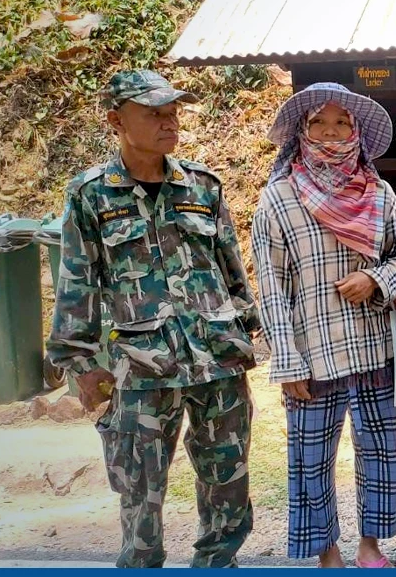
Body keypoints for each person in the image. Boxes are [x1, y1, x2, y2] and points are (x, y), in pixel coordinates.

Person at [47, 70, 258, 568]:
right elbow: (77, 283)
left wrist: (247, 333)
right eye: (155, 114)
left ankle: (217, 565)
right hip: (141, 370)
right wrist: (81, 365)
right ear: (117, 120)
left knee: (228, 486)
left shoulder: (202, 186)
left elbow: (231, 270)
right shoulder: (91, 194)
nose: (169, 122)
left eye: (172, 113)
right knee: (141, 495)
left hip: (217, 362)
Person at [252, 82, 396, 568]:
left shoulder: (381, 195)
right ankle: (326, 550)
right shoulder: (279, 198)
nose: (330, 132)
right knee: (311, 458)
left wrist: (375, 277)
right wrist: (286, 360)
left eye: (341, 122)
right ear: (302, 131)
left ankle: (371, 545)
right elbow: (272, 285)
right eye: (319, 122)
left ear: (356, 132)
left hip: (373, 348)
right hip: (311, 352)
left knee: (381, 450)